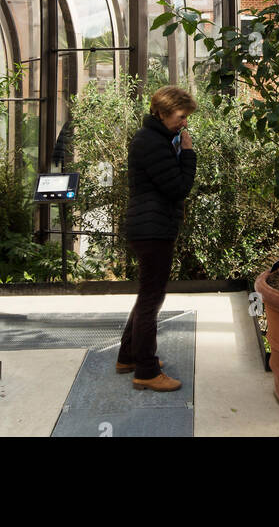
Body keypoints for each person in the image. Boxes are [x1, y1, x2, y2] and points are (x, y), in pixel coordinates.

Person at [116, 84, 197, 391]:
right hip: (153, 230)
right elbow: (177, 188)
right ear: (162, 113)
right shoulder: (152, 142)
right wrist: (188, 155)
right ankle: (147, 372)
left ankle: (128, 356)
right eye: (180, 116)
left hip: (150, 227)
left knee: (147, 295)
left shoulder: (155, 138)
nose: (184, 122)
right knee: (152, 299)